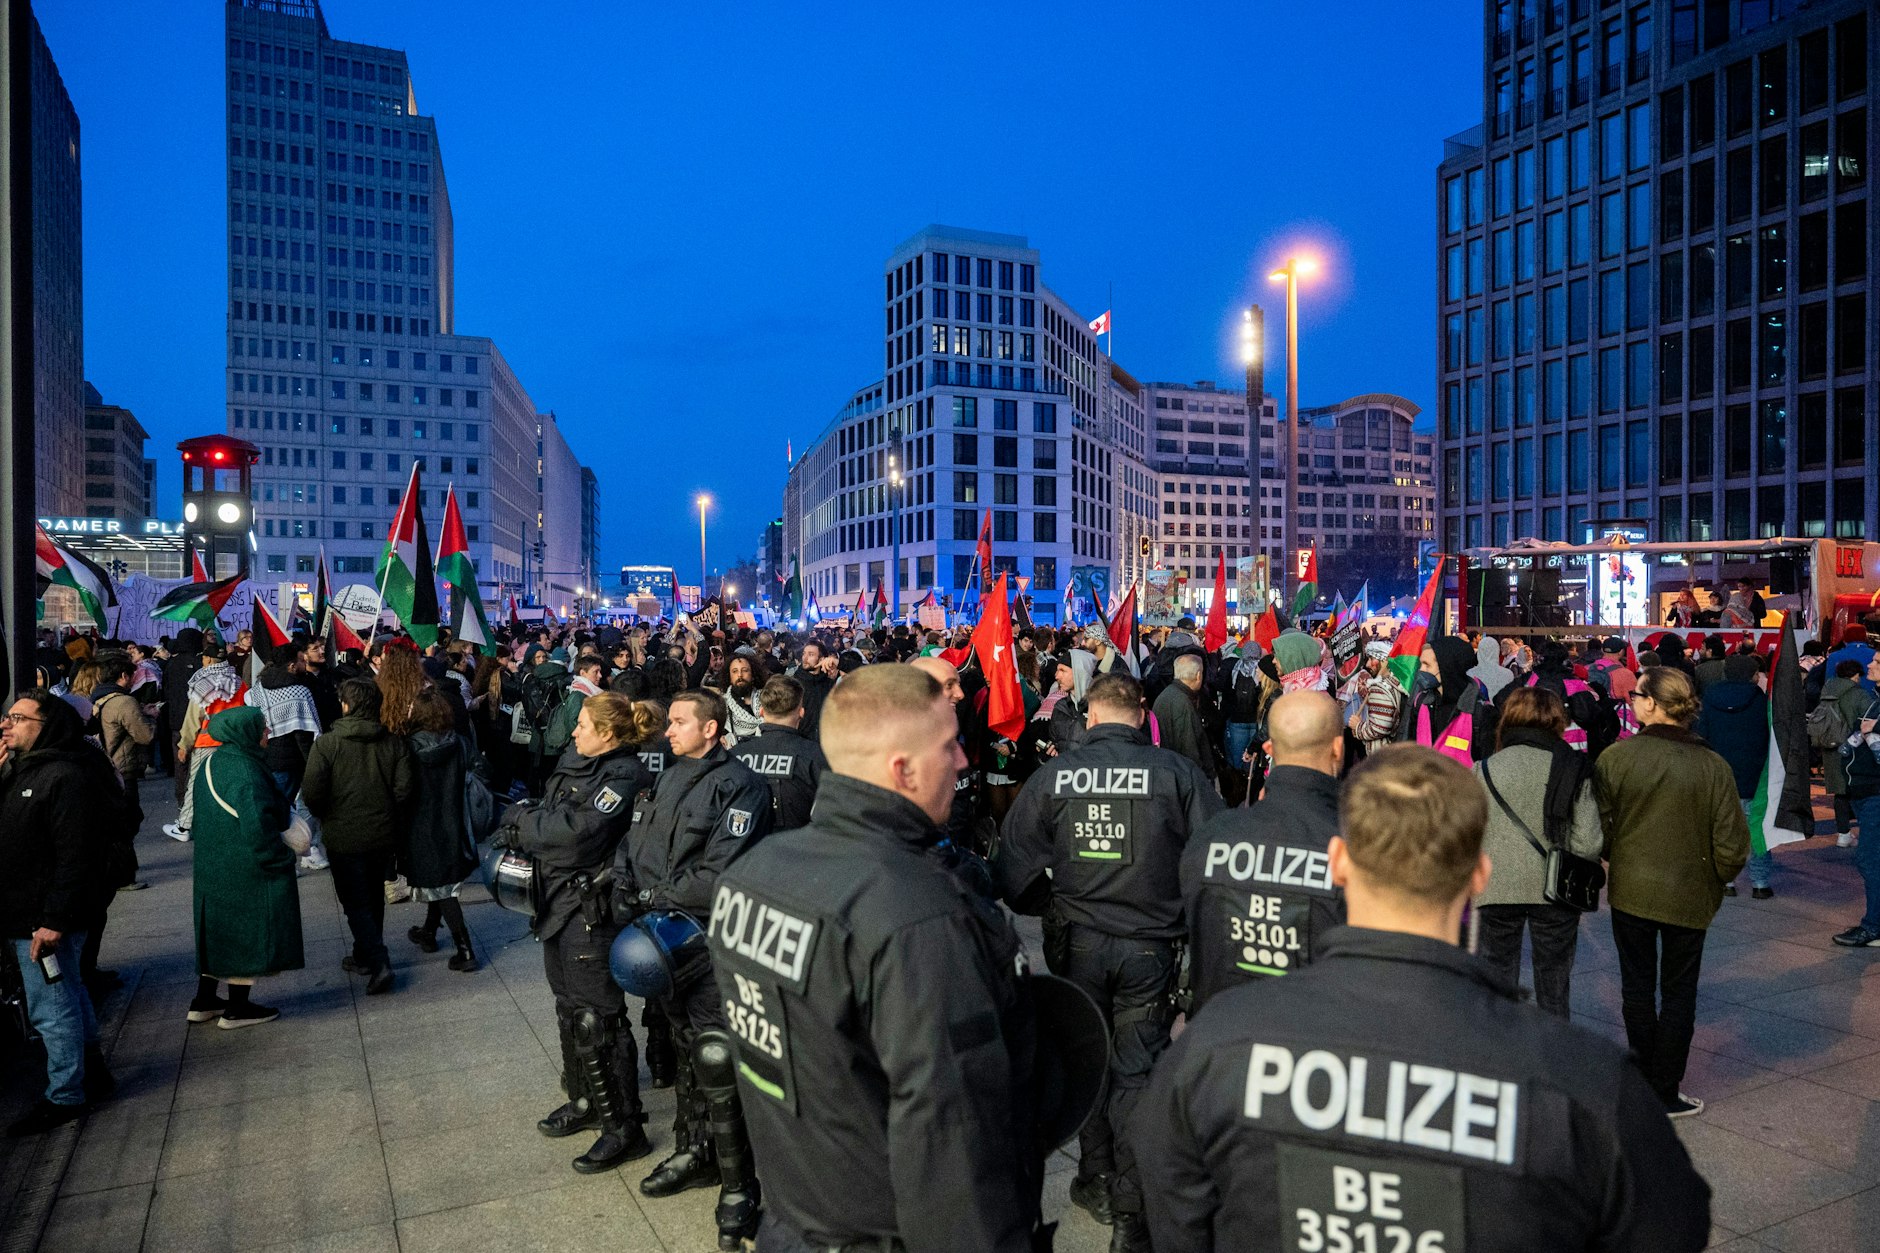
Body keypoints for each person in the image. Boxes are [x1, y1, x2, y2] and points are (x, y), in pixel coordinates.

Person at [1133, 744, 1714, 1252]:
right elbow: (1671, 1226)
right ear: (1479, 875)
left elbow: (1172, 1200)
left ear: (1338, 862)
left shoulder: (1218, 1041)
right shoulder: (1585, 1081)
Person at [706, 663, 1050, 1252]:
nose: (964, 762)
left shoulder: (752, 875)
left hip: (794, 1214)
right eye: (950, 746)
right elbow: (950, 1131)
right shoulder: (916, 913)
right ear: (903, 769)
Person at [996, 670, 1222, 1248]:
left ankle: (1099, 1181)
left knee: (1088, 1061)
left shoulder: (1058, 776)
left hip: (1080, 943)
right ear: (1142, 713)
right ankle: (1130, 1209)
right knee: (1136, 1073)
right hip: (1151, 946)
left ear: (1091, 716)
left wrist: (1048, 905)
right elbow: (1215, 859)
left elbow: (1011, 863)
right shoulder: (1178, 775)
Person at [613, 689, 773, 1247]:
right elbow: (637, 840)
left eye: (680, 722)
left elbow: (722, 869)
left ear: (711, 729)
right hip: (663, 938)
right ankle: (694, 1151)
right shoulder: (670, 774)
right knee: (683, 1045)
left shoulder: (742, 784)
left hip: (708, 940)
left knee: (715, 1052)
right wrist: (626, 882)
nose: (669, 729)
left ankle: (739, 1185)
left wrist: (656, 893)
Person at [503, 692, 658, 1172]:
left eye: (584, 725)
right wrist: (533, 825)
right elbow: (548, 821)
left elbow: (576, 835)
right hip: (555, 903)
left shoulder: (624, 774)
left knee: (600, 1017)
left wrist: (525, 824)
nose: (574, 732)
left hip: (591, 908)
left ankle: (624, 1125)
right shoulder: (577, 762)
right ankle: (586, 1100)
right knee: (569, 1008)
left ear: (608, 734)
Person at [1596, 666, 1749, 1116]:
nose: (1632, 701)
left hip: (1632, 890)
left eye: (1638, 694)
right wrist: (1716, 877)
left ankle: (1646, 1081)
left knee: (1637, 988)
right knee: (1680, 991)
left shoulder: (1616, 758)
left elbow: (1599, 827)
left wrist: (1617, 855)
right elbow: (1732, 844)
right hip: (1690, 891)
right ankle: (1665, 1088)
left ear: (1652, 704)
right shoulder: (1713, 766)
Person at [1181, 690, 1345, 1017]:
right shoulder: (1353, 848)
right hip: (1310, 1043)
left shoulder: (1211, 837)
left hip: (1221, 1037)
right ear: (1337, 749)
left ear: (1269, 749)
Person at [0, 691, 118, 1134]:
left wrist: (53, 920)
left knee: (51, 1006)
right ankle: (93, 1073)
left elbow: (76, 856)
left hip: (44, 918)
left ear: (46, 725)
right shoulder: (27, 770)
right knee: (69, 990)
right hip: (32, 911)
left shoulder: (63, 775)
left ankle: (65, 1094)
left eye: (18, 718)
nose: (6, 725)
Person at [1472, 685, 1605, 1018]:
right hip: (1555, 889)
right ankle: (1553, 1052)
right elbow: (1589, 843)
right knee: (1554, 983)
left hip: (1495, 886)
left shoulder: (1483, 768)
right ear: (1557, 721)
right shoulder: (1573, 768)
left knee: (1497, 978)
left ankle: (1500, 1055)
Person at [187, 706, 304, 1031]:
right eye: (263, 729)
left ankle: (204, 1000)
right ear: (246, 733)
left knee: (218, 935)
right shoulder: (246, 771)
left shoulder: (214, 762)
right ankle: (237, 1008)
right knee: (247, 936)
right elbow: (258, 827)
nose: (268, 733)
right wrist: (279, 860)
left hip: (214, 865)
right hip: (244, 868)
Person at [300, 679, 415, 996]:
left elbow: (312, 792)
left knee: (354, 900)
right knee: (371, 897)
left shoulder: (327, 744)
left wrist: (327, 814)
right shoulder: (392, 742)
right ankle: (365, 953)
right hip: (382, 832)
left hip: (343, 833)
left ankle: (378, 961)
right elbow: (404, 790)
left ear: (347, 706)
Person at [401, 690, 484, 973]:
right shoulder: (459, 742)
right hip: (455, 821)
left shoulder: (408, 746)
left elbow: (401, 788)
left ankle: (466, 949)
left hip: (421, 825)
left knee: (443, 888)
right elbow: (481, 770)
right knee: (441, 880)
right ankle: (428, 930)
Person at [1696, 653, 1776, 899]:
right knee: (1757, 828)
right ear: (1754, 675)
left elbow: (1702, 734)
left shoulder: (1709, 697)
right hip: (1754, 774)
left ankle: (1726, 881)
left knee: (1724, 830)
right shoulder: (1762, 701)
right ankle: (1760, 883)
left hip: (1720, 774)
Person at [163, 636, 247, 842]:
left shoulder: (202, 684)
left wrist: (184, 745)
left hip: (206, 743)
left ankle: (184, 827)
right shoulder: (238, 682)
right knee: (230, 783)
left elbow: (193, 719)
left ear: (208, 661)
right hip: (234, 743)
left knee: (196, 784)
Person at [728, 674, 827, 830]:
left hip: (745, 850)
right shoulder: (817, 757)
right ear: (801, 712)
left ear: (761, 711)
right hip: (797, 849)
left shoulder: (734, 756)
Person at [1833, 655, 1880, 947]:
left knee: (1870, 860)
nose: (1870, 665)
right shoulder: (1873, 699)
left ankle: (1873, 925)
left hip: (1875, 793)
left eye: (1877, 661)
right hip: (1865, 792)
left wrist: (1870, 737)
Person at [1821, 659, 1870, 847]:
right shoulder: (1859, 694)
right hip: (1853, 748)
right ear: (1855, 676)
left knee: (1840, 793)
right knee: (1860, 791)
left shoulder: (1828, 690)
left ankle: (1843, 833)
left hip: (1830, 746)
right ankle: (1864, 832)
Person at [1151, 653, 1216, 784]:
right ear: (1198, 675)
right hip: (1184, 776)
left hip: (1172, 770)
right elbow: (1189, 746)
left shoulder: (1170, 694)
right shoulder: (1183, 703)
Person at [543, 654, 607, 763]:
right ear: (583, 673)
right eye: (595, 672)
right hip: (578, 750)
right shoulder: (578, 695)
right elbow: (574, 724)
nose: (600, 675)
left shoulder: (588, 692)